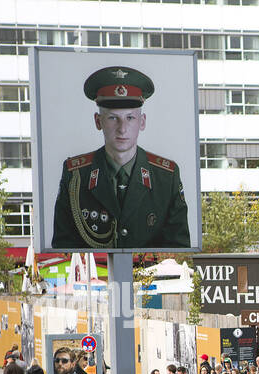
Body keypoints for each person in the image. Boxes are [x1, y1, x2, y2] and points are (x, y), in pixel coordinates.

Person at [51, 66, 190, 249]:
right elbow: (64, 247)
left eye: (130, 118)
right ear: (98, 121)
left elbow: (178, 249)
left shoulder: (166, 176)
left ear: (142, 122)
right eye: (112, 118)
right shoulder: (76, 175)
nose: (122, 128)